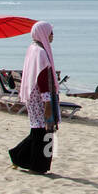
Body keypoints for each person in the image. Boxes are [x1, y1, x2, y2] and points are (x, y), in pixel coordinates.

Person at [9, 22, 59, 174]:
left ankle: (22, 158)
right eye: (50, 32)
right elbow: (43, 79)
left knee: (37, 132)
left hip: (33, 98)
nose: (52, 36)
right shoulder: (41, 53)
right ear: (43, 33)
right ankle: (36, 165)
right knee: (43, 132)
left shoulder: (33, 49)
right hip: (41, 99)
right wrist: (48, 105)